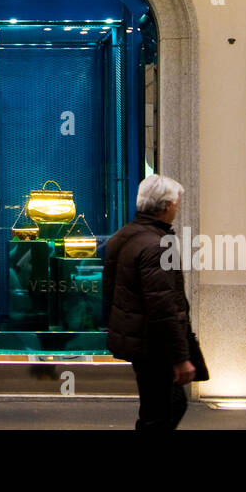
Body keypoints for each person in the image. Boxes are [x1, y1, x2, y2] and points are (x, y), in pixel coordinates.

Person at [102, 174, 207, 431]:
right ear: (166, 206)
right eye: (177, 203)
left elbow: (110, 292)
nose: (178, 208)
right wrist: (180, 357)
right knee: (161, 413)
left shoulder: (122, 237)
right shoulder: (158, 245)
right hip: (154, 345)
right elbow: (163, 307)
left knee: (161, 407)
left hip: (139, 340)